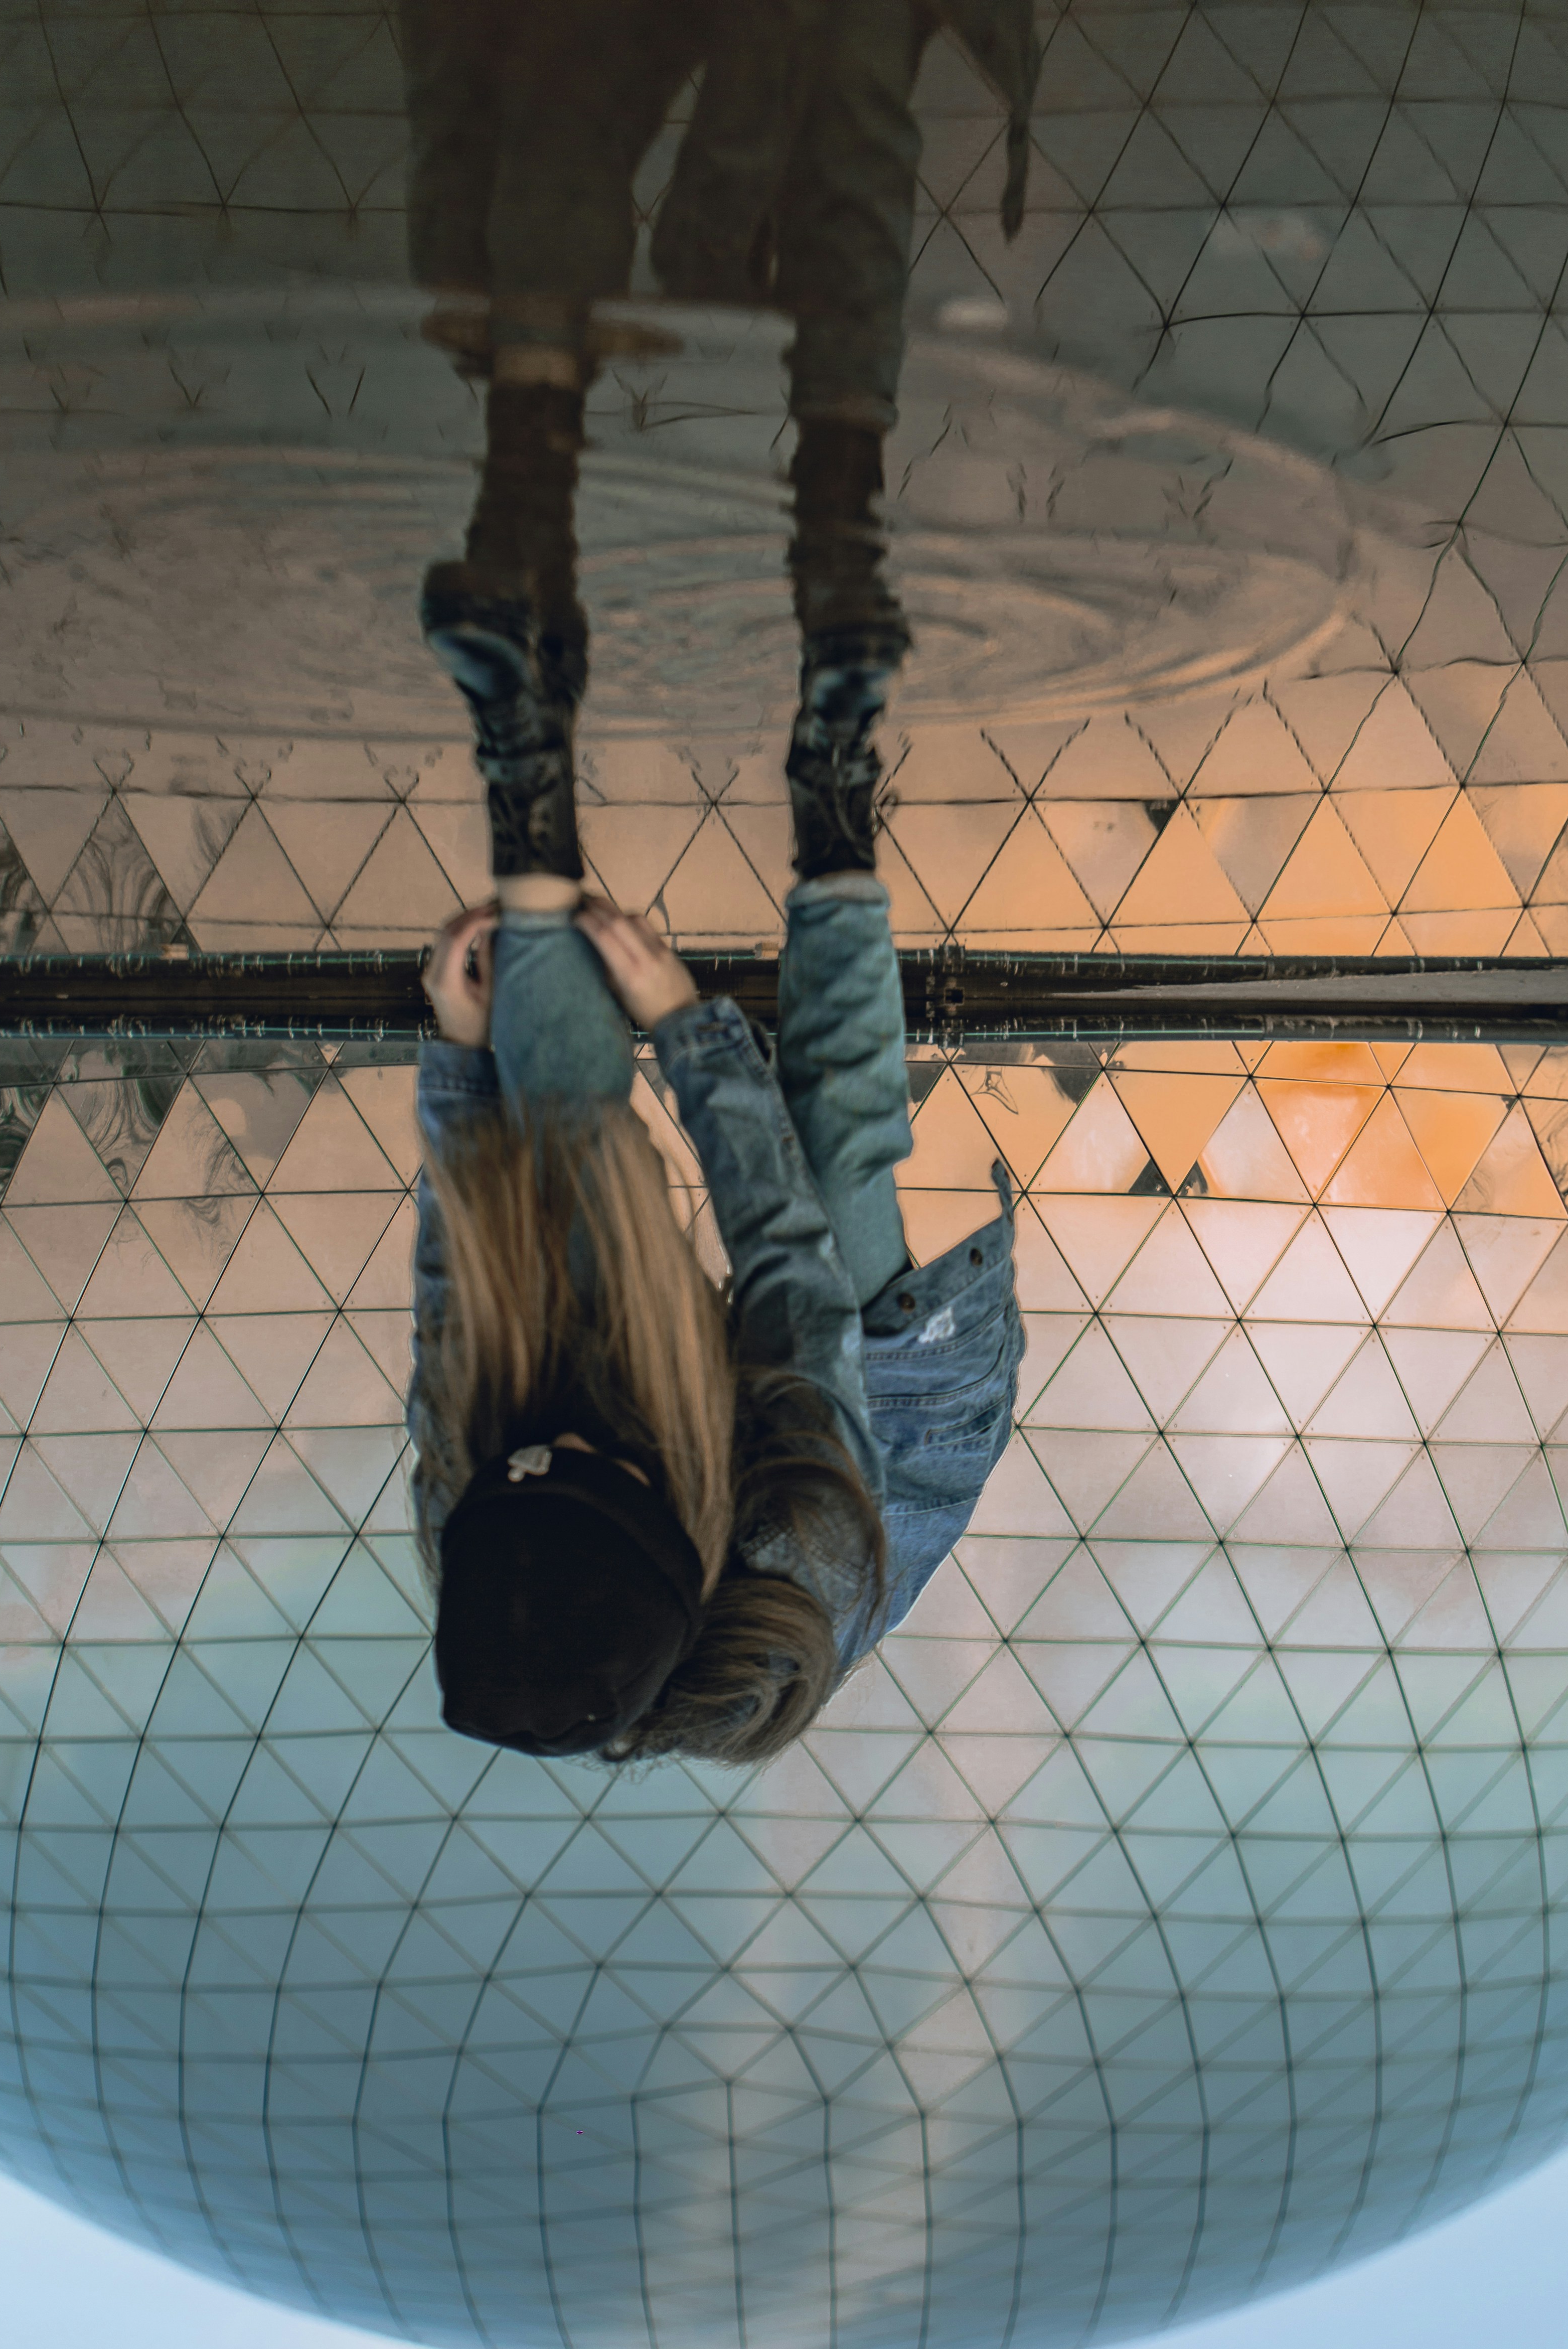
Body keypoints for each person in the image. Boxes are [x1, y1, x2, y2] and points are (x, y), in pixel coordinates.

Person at [403, 3, 1032, 1761]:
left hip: (648, 1456)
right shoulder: (803, 1534)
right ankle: (840, 774)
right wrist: (691, 1024)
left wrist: (463, 1038)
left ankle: (525, 749)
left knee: (558, 1145)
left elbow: (486, 1266)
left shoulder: (489, 1514)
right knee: (836, 1159)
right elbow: (782, 1272)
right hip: (877, 1409)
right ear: (678, 1523)